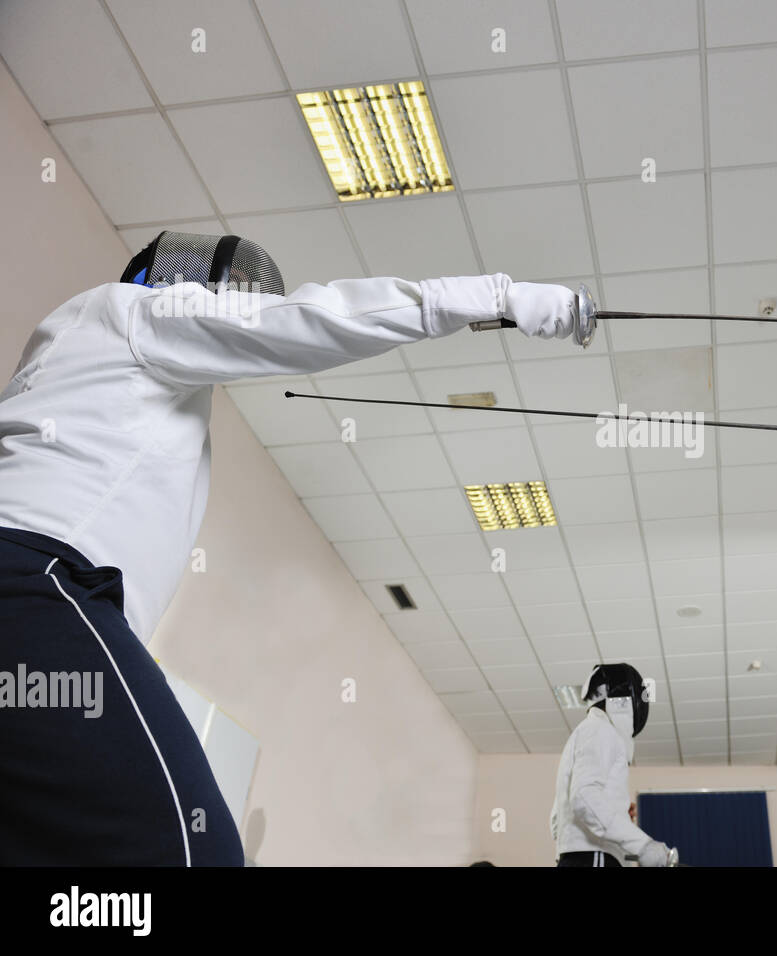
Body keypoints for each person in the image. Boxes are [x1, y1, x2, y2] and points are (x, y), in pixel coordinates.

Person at [0, 231, 577, 865]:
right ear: (181, 279)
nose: (240, 306)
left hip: (39, 607)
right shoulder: (129, 311)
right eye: (238, 293)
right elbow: (309, 321)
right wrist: (498, 296)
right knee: (191, 851)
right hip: (40, 590)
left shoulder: (95, 356)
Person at [550, 663, 673, 867]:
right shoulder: (602, 730)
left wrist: (616, 818)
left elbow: (557, 821)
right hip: (595, 858)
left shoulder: (583, 733)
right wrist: (643, 846)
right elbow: (583, 796)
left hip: (575, 859)